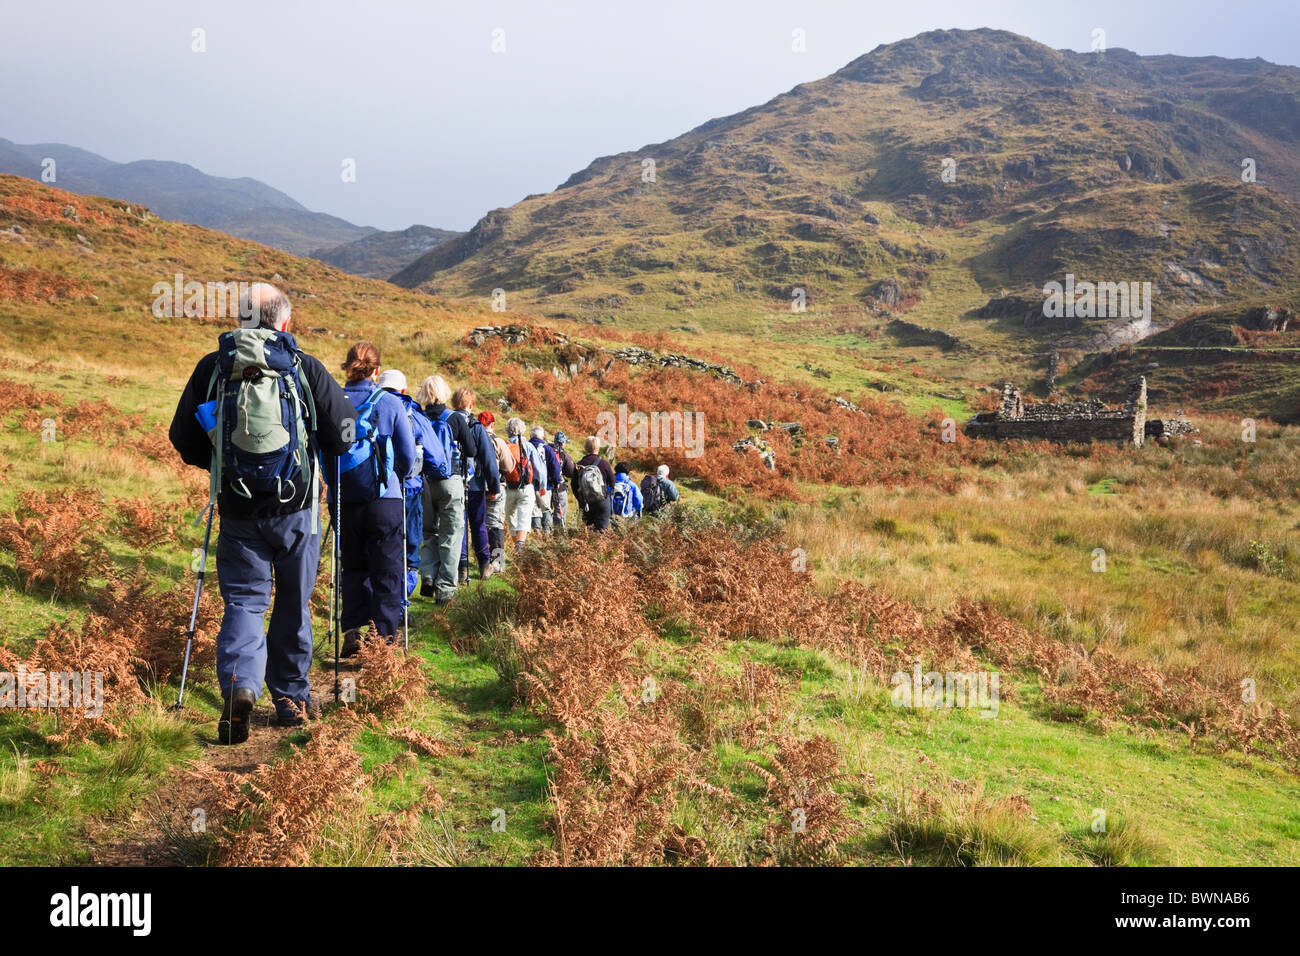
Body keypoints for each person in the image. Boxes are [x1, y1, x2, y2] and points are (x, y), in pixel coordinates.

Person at [169, 282, 352, 744]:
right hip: (297, 509)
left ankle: (239, 685)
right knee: (293, 599)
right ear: (284, 322)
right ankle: (291, 700)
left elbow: (182, 437)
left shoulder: (214, 367)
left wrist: (219, 464)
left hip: (236, 508)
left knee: (246, 601)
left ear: (240, 318)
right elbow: (344, 434)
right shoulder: (303, 366)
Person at [327, 343, 416, 653]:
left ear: (347, 367)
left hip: (343, 497)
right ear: (376, 371)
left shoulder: (331, 401)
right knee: (388, 570)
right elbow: (406, 456)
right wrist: (397, 476)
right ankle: (384, 641)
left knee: (352, 566)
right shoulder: (389, 402)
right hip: (385, 498)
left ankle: (352, 630)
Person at [415, 375, 475, 605]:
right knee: (451, 534)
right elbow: (470, 450)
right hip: (451, 480)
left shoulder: (418, 417)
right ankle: (446, 589)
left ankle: (428, 576)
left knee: (429, 533)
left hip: (425, 482)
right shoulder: (454, 418)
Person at [377, 369, 433, 600]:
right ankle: (401, 600)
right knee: (409, 544)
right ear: (403, 389)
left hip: (373, 489)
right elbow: (437, 458)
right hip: (408, 488)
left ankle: (381, 598)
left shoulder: (368, 407)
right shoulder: (412, 414)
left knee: (382, 545)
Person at [454, 388, 500, 581]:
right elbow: (489, 460)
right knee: (478, 524)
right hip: (475, 484)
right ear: (471, 404)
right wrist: (494, 487)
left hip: (454, 482)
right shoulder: (477, 427)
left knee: (459, 525)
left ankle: (462, 567)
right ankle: (484, 565)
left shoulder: (448, 423)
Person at [478, 411, 513, 571]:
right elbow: (509, 466)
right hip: (496, 486)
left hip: (476, 487)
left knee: (477, 524)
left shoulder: (473, 437)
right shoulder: (497, 441)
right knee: (495, 524)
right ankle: (498, 562)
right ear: (492, 424)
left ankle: (482, 560)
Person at [504, 417, 545, 552]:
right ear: (522, 429)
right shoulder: (528, 446)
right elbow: (539, 469)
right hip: (527, 487)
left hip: (509, 487)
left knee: (511, 517)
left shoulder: (505, 445)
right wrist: (542, 486)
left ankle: (517, 545)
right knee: (524, 516)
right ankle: (520, 545)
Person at [572, 435, 616, 532]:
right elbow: (613, 483)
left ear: (585, 448)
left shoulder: (579, 465)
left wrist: (581, 500)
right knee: (601, 532)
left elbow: (574, 486)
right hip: (602, 501)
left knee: (588, 532)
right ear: (598, 448)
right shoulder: (604, 464)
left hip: (586, 503)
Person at [529, 426, 563, 536]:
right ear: (542, 437)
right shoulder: (547, 449)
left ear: (530, 436)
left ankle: (536, 535)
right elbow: (555, 468)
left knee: (534, 511)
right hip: (546, 486)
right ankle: (547, 535)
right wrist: (556, 481)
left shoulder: (525, 447)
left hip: (529, 485)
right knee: (546, 509)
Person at [550, 431, 576, 535]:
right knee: (560, 513)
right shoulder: (563, 455)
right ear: (563, 443)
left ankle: (544, 535)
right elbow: (570, 472)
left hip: (545, 488)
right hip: (559, 488)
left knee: (547, 511)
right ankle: (559, 537)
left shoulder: (547, 450)